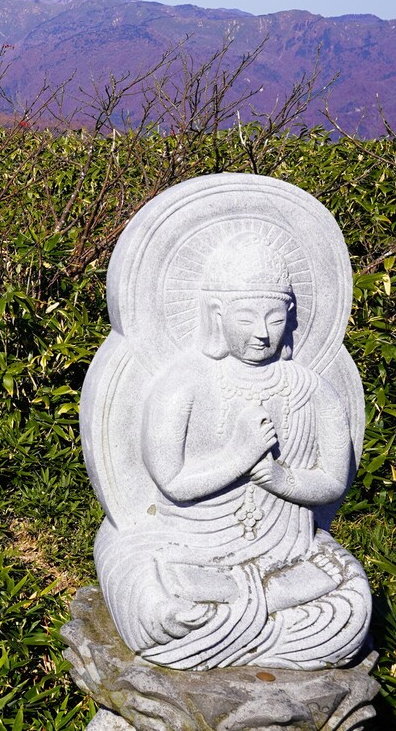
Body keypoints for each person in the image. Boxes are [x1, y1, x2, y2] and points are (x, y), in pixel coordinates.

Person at [97, 231, 371, 670]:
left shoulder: (313, 391)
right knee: (149, 601)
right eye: (246, 319)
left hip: (285, 554)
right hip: (186, 545)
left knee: (354, 604)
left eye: (275, 319)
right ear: (216, 314)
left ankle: (242, 608)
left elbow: (333, 481)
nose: (262, 334)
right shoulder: (183, 383)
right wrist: (241, 456)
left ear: (292, 315)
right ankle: (250, 613)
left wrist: (280, 479)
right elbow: (172, 482)